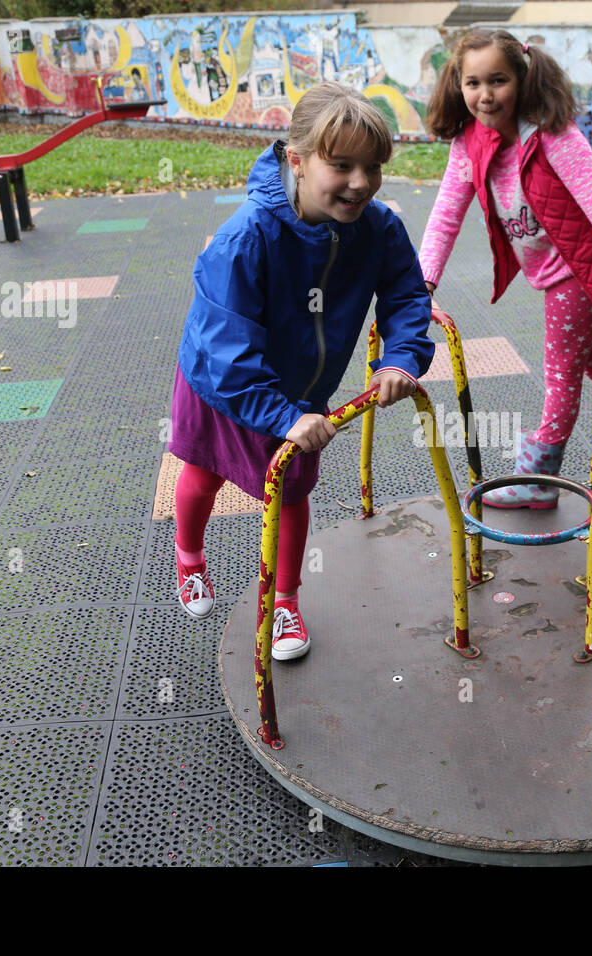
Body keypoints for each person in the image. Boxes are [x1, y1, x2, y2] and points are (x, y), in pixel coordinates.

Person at [169, 81, 435, 660]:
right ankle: (189, 555)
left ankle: (284, 602)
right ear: (297, 159)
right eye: (341, 166)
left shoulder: (378, 227)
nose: (360, 183)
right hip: (222, 385)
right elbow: (227, 349)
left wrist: (401, 356)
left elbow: (407, 296)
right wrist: (283, 415)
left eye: (372, 167)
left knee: (288, 492)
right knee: (204, 472)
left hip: (300, 392)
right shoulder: (248, 237)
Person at [419, 29, 592, 508]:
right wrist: (423, 284)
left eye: (498, 80)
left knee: (560, 374)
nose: (485, 95)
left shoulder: (553, 136)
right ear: (457, 86)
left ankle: (540, 477)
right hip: (553, 273)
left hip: (582, 274)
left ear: (522, 79)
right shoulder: (470, 143)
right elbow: (445, 214)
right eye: (473, 83)